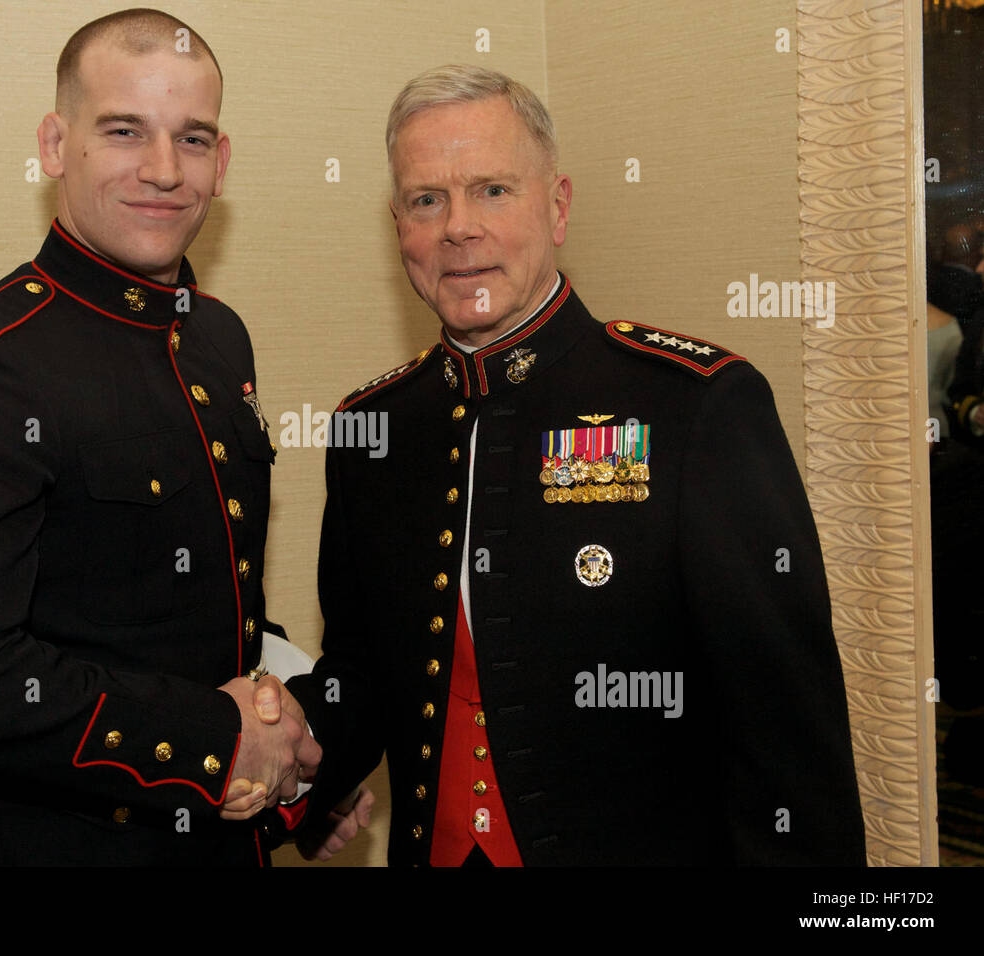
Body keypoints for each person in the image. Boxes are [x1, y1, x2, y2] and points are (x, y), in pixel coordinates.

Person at [283, 64, 868, 865]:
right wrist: (295, 770)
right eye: (427, 200)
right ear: (398, 227)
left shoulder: (696, 404)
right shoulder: (369, 428)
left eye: (492, 190)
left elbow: (786, 736)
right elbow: (364, 669)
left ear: (557, 207)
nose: (458, 228)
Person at [0, 8, 318, 866]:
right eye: (123, 132)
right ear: (54, 145)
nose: (162, 170)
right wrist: (216, 741)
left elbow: (194, 599)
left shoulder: (218, 338)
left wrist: (290, 749)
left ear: (221, 163)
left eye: (192, 140)